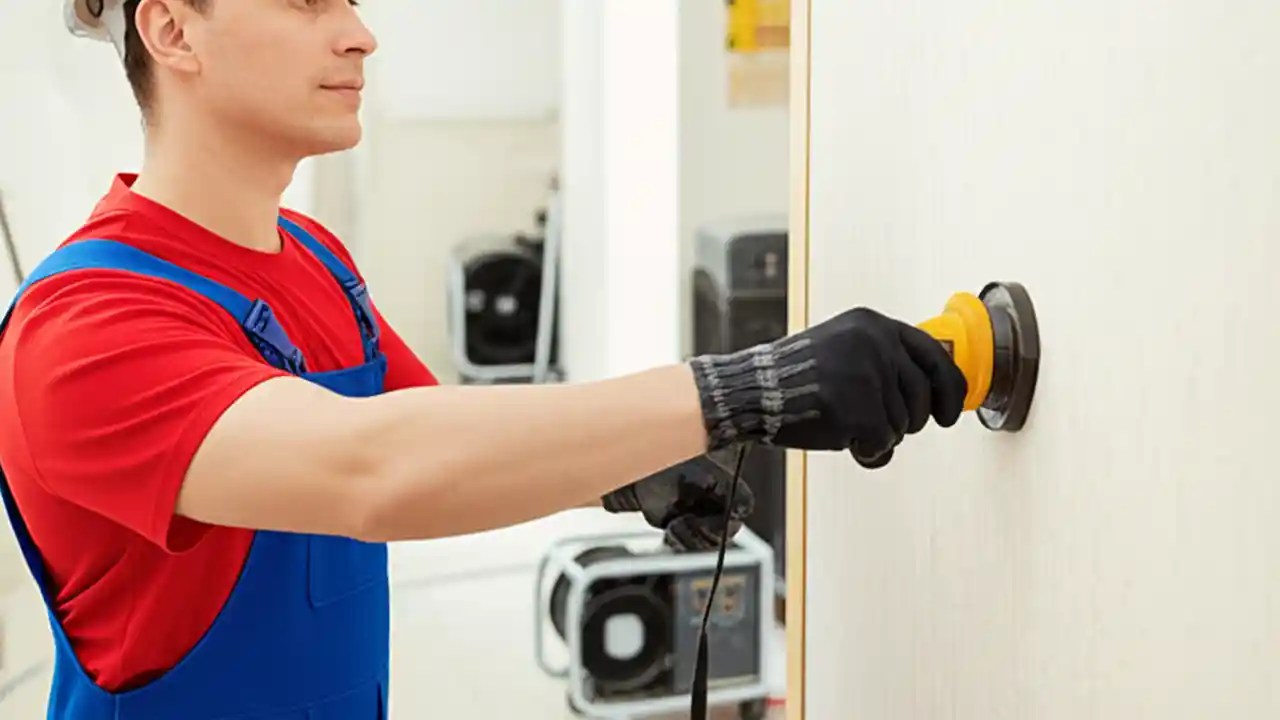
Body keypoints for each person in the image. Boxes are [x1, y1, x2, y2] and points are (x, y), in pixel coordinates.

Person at [0, 1, 969, 718]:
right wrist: (741, 389)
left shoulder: (316, 261)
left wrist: (626, 474)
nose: (360, 35)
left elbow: (451, 442)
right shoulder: (81, 325)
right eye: (306, 1)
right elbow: (375, 468)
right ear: (173, 30)